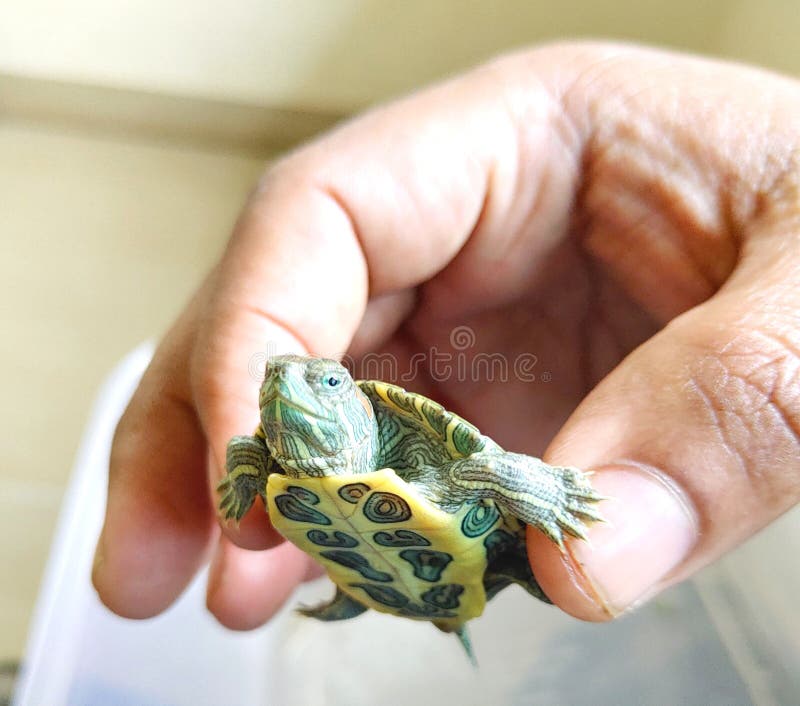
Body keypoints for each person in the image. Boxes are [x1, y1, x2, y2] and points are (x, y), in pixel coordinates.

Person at [92, 42, 800, 628]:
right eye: (281, 382)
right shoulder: (265, 453)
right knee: (244, 463)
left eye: (326, 380)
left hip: (458, 559)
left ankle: (362, 591)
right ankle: (351, 595)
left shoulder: (417, 451)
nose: (290, 382)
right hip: (382, 571)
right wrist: (245, 474)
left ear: (355, 405)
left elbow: (487, 469)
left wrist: (549, 495)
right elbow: (248, 464)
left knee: (524, 519)